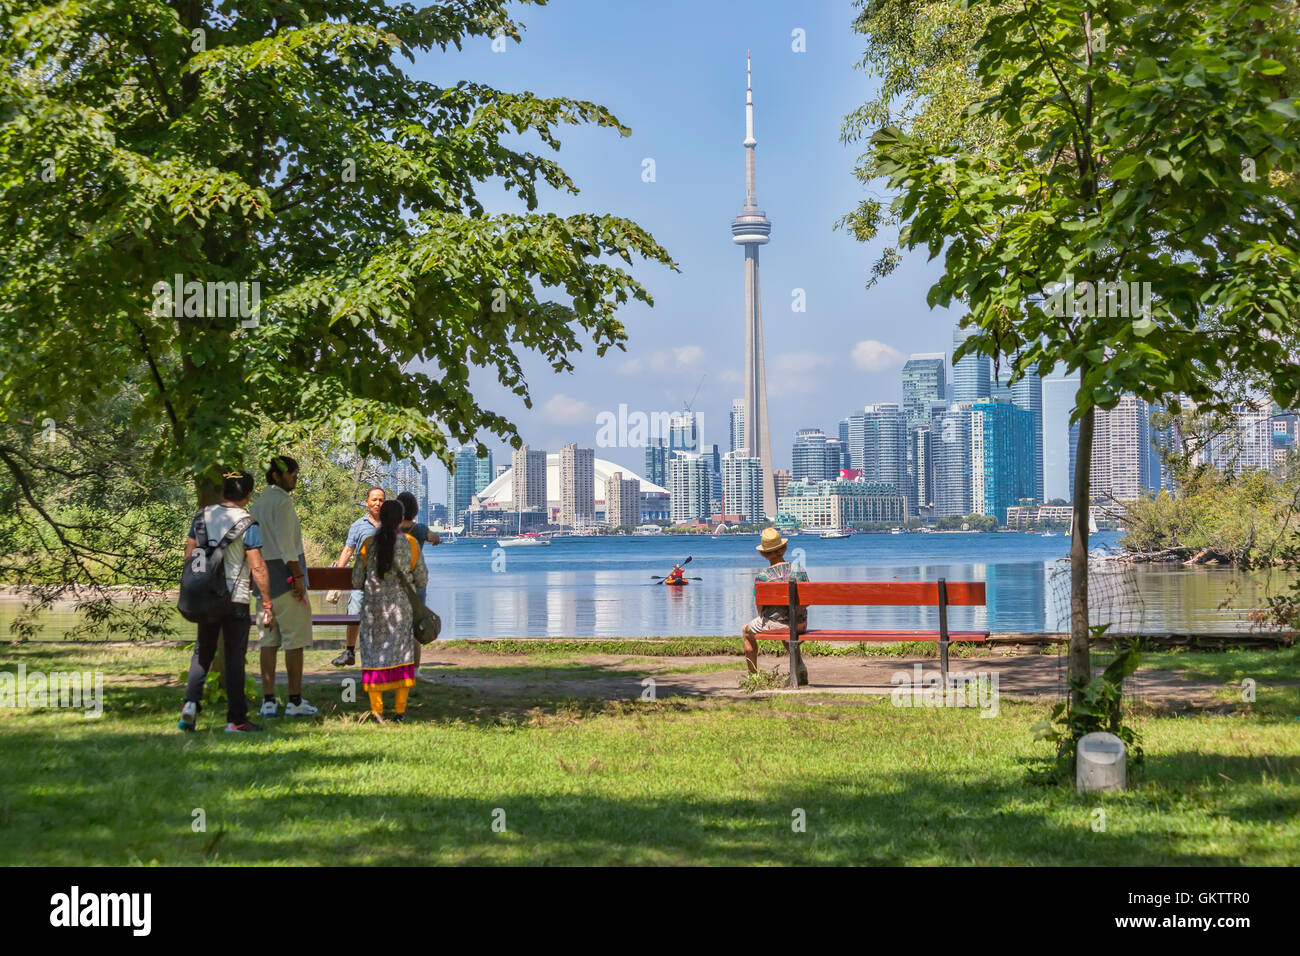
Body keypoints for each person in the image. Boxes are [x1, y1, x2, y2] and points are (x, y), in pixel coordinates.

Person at [179, 470, 273, 733]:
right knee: (234, 658)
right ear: (247, 495)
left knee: (203, 652)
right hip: (235, 599)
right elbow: (258, 568)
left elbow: (191, 556)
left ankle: (190, 704)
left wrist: (202, 584)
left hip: (206, 597)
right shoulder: (247, 523)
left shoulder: (201, 516)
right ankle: (236, 719)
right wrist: (267, 603)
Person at [250, 455, 318, 718]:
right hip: (286, 580)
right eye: (291, 474)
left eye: (296, 473)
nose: (295, 478)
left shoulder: (256, 504)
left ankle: (268, 701)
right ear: (276, 476)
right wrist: (298, 577)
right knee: (294, 642)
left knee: (267, 641)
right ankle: (294, 700)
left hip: (263, 580)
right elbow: (288, 548)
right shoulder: (284, 503)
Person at [352, 500, 427, 723]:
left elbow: (356, 581)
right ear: (401, 519)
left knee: (374, 657)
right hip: (400, 610)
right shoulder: (411, 543)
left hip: (373, 609)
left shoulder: (367, 544)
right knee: (402, 655)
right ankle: (399, 712)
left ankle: (376, 711)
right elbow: (422, 578)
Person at [742, 528, 811, 685]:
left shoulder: (762, 577)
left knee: (746, 631)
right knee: (787, 630)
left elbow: (760, 610)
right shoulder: (799, 570)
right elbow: (807, 601)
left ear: (764, 554)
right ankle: (800, 668)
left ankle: (753, 676)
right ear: (783, 548)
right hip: (800, 624)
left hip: (778, 625)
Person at [325, 486, 384, 666]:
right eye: (374, 500)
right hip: (362, 580)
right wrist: (337, 575)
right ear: (366, 503)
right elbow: (348, 550)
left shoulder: (390, 525)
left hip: (384, 581)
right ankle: (350, 652)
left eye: (381, 500)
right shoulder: (358, 526)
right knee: (353, 612)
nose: (377, 503)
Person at [396, 491, 441, 668]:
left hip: (397, 583)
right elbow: (436, 539)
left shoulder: (392, 529)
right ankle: (415, 669)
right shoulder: (420, 529)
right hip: (416, 582)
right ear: (415, 510)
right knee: (416, 625)